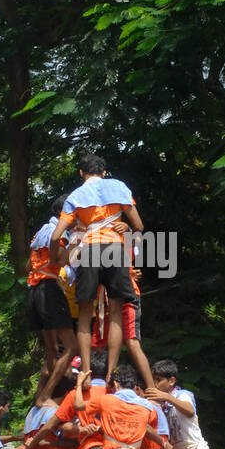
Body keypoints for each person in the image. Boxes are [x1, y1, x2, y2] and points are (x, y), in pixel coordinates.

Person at [51, 154, 145, 385]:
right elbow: (139, 226)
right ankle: (112, 374)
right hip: (115, 249)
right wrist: (126, 227)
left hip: (90, 251)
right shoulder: (119, 187)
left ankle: (85, 371)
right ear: (104, 173)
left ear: (81, 173)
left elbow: (55, 235)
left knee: (85, 315)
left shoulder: (75, 196)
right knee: (115, 313)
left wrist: (56, 258)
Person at [27, 194, 78, 393]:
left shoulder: (39, 232)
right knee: (71, 346)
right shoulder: (59, 232)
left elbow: (27, 266)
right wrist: (76, 246)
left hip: (34, 290)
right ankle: (46, 396)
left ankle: (42, 396)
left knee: (52, 350)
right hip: (49, 290)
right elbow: (60, 259)